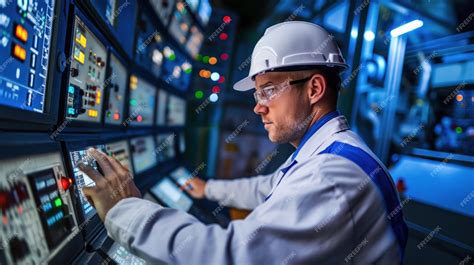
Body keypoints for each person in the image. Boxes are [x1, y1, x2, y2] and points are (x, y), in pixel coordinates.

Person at [81, 21, 408, 264]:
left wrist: (123, 210)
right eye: (257, 93)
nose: (258, 105)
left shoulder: (332, 177)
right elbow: (267, 188)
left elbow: (233, 256)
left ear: (314, 89)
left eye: (269, 89)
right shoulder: (330, 153)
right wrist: (207, 189)